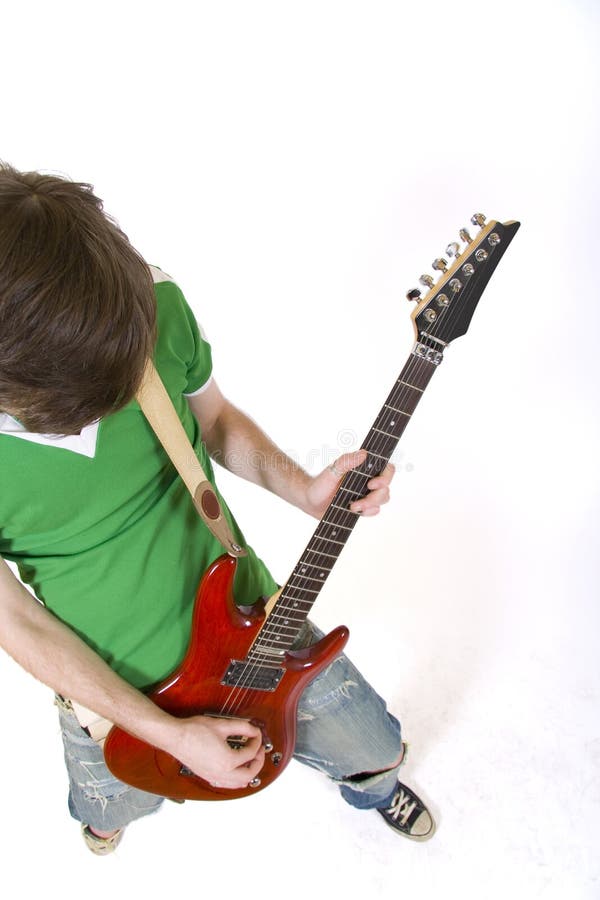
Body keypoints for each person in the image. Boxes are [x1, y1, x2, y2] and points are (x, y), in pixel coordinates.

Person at [0, 163, 435, 854]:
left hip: (251, 626)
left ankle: (373, 788)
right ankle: (106, 825)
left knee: (373, 746)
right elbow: (14, 620)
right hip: (110, 688)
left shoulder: (149, 304)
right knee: (110, 807)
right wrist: (167, 735)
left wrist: (305, 488)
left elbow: (217, 419)